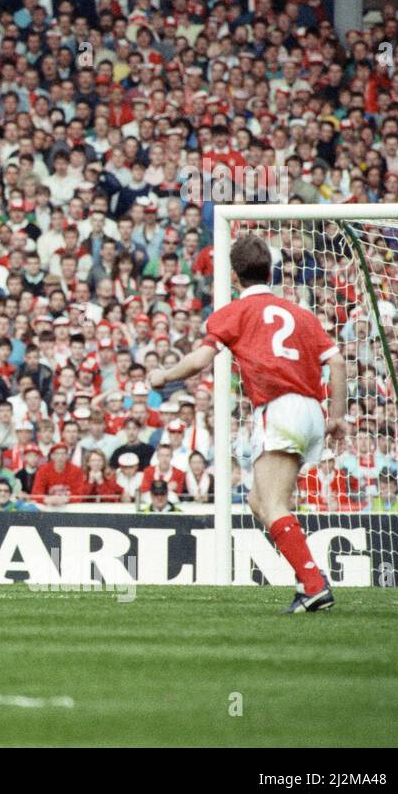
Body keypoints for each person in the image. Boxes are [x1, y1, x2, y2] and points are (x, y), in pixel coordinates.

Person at [148, 234, 346, 613]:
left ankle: (314, 584)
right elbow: (336, 362)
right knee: (259, 501)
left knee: (271, 504)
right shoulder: (300, 313)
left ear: (234, 276)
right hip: (311, 410)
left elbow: (199, 360)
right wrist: (336, 417)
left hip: (279, 408)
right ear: (270, 272)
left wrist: (164, 375)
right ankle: (310, 579)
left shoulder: (234, 312)